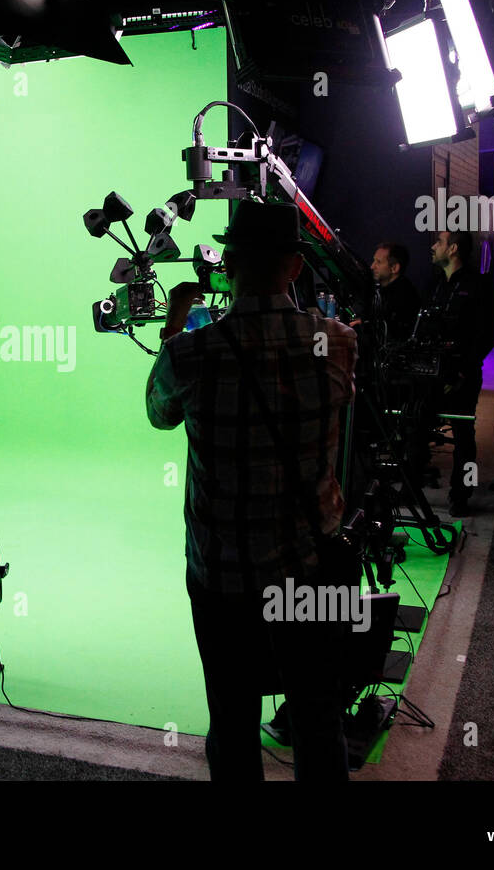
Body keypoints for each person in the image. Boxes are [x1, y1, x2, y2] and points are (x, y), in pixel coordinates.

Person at [146, 199, 358, 781]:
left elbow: (158, 414)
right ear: (294, 267)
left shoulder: (191, 352)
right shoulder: (339, 343)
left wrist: (175, 322)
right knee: (318, 717)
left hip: (223, 576)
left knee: (233, 723)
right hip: (312, 568)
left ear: (228, 263)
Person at [427, 230, 494, 516]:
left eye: (439, 242)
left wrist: (463, 374)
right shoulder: (434, 285)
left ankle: (462, 493)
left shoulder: (476, 286)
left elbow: (483, 336)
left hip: (462, 376)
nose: (433, 247)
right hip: (433, 374)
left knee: (464, 437)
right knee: (417, 426)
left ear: (453, 249)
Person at [369, 241, 421, 342]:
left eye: (378, 262)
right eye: (373, 261)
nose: (372, 266)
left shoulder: (405, 296)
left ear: (394, 268)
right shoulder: (382, 291)